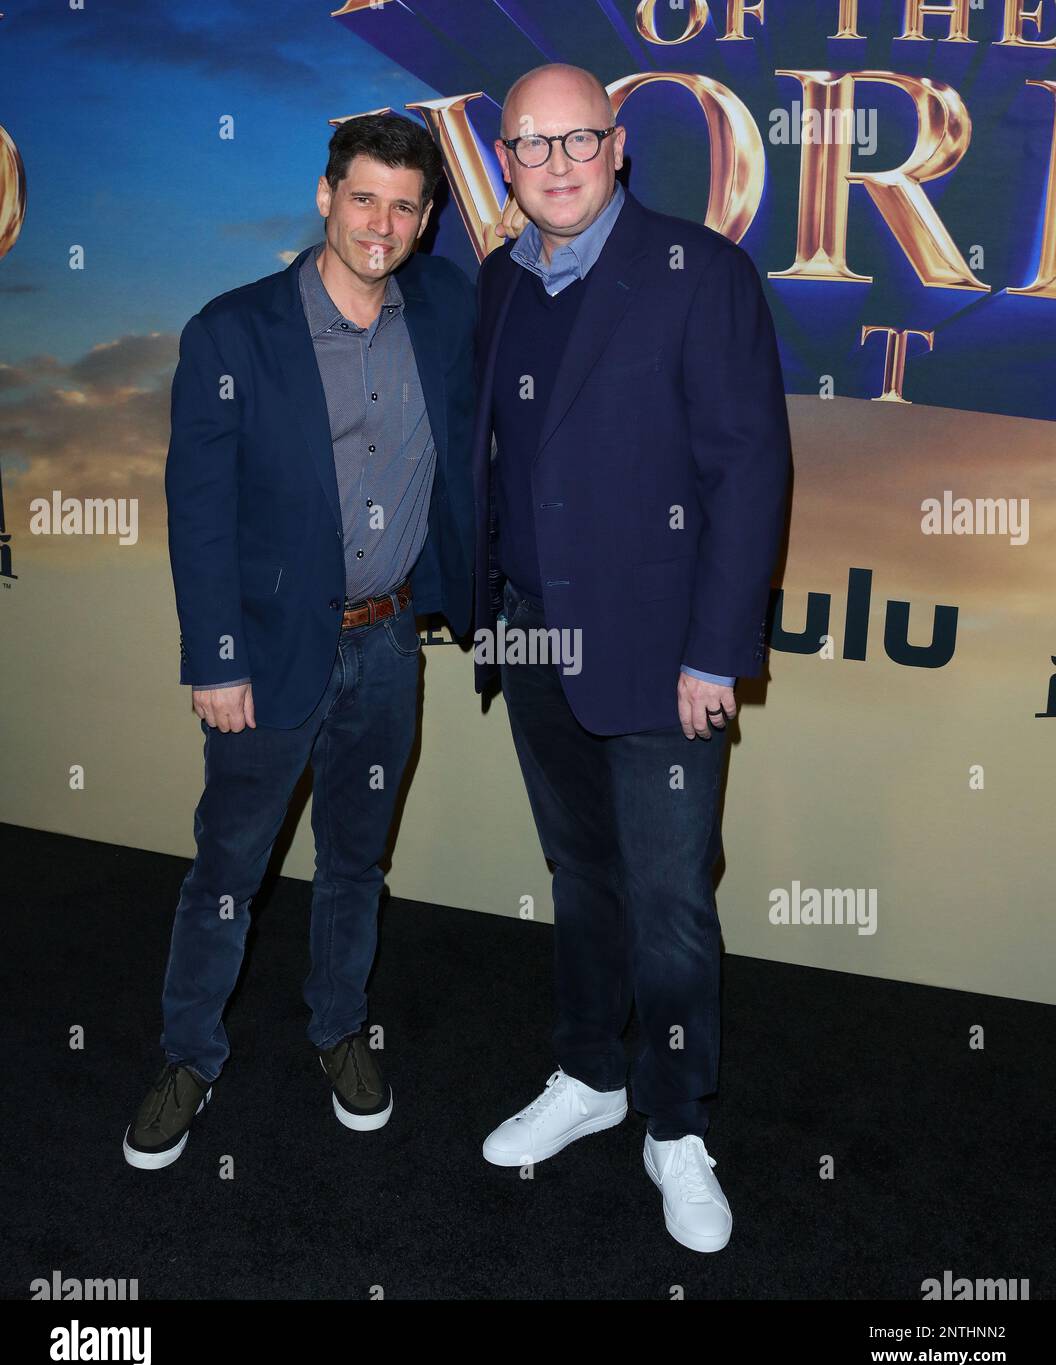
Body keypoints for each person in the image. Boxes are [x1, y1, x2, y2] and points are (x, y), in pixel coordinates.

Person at [472, 64, 792, 1252]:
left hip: (666, 662)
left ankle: (674, 1123)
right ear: (503, 160)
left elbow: (747, 472)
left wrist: (718, 654)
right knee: (581, 879)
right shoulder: (499, 279)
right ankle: (589, 1075)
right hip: (535, 634)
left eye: (578, 140)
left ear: (618, 150)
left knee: (667, 906)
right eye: (530, 144)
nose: (554, 163)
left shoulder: (699, 272)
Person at [123, 113, 475, 1169]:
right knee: (229, 862)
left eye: (405, 206)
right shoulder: (234, 332)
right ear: (326, 198)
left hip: (388, 646)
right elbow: (200, 510)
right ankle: (189, 1054)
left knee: (356, 861)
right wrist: (215, 658)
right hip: (271, 651)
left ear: (427, 220)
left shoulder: (449, 309)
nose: (383, 223)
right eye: (364, 198)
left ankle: (337, 1031)